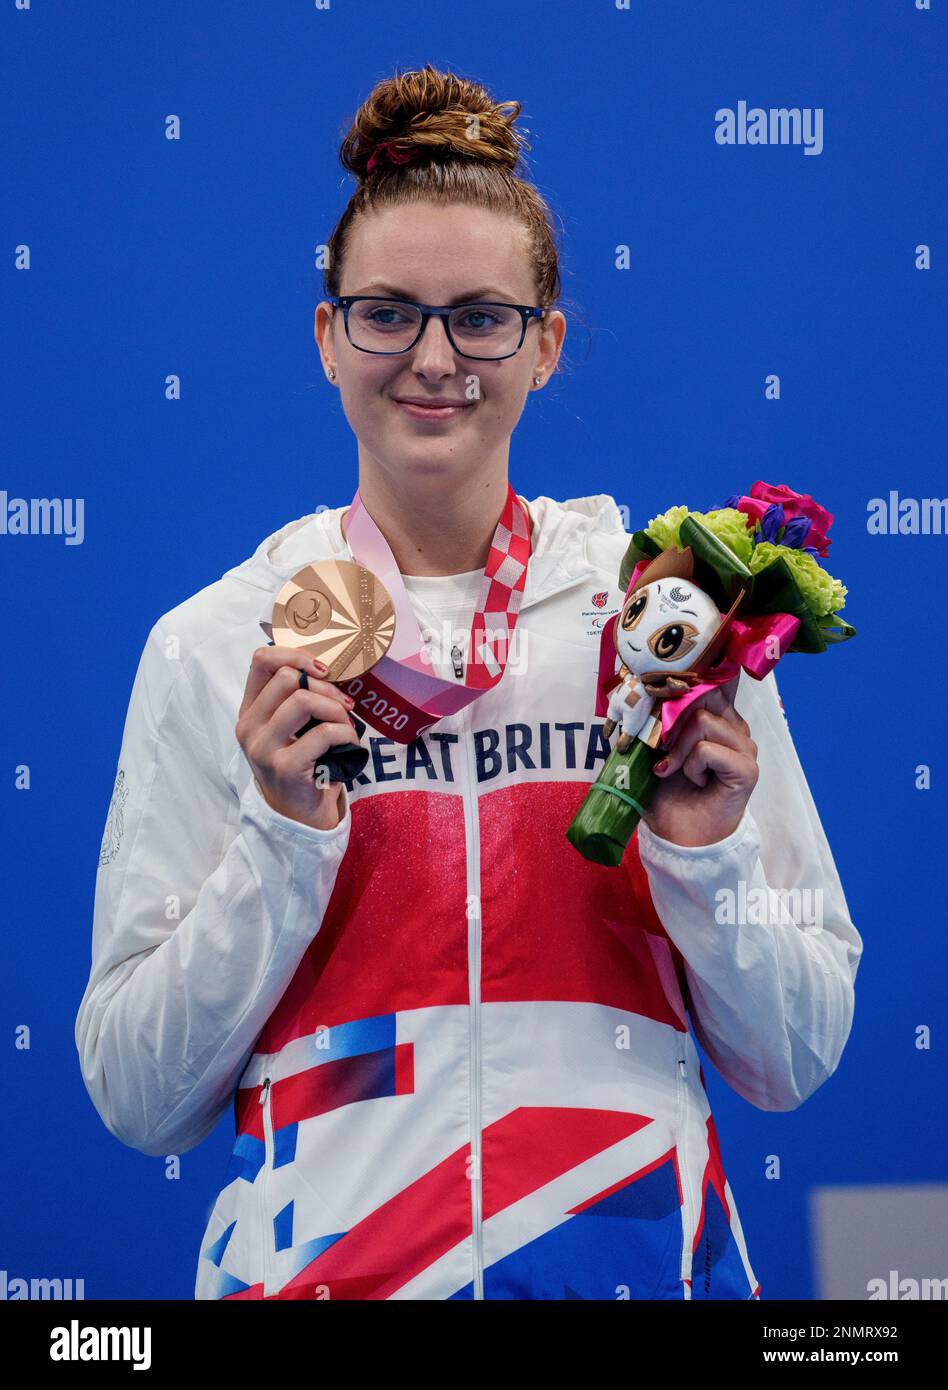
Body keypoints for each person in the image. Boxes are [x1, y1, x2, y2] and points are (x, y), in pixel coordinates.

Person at [75, 63, 862, 1302]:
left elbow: (795, 1056)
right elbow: (136, 1094)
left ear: (546, 346)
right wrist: (277, 842)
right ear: (326, 336)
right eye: (387, 312)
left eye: (482, 317)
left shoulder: (666, 619)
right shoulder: (220, 642)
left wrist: (707, 861)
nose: (434, 358)